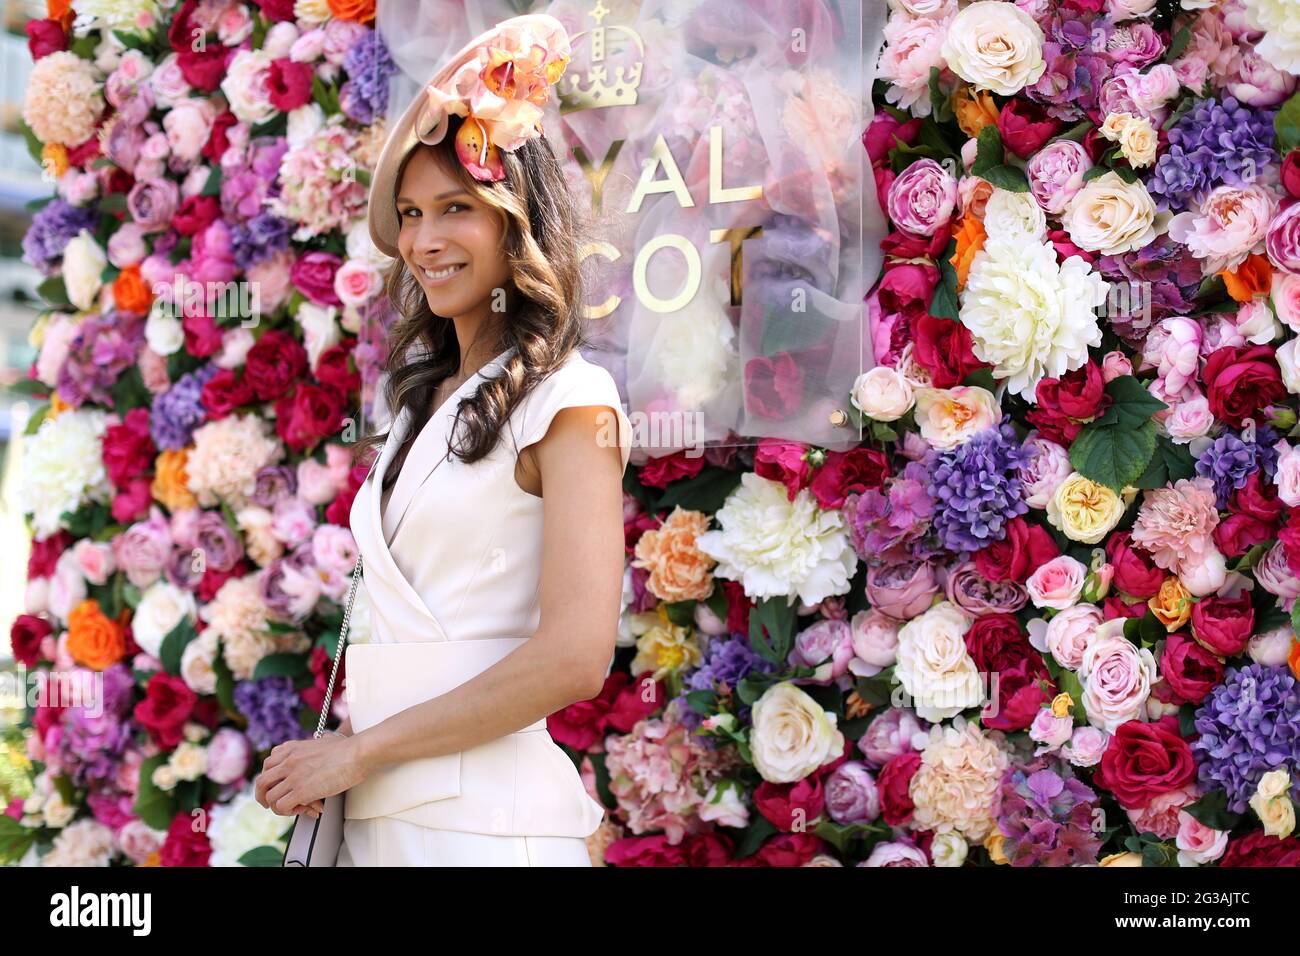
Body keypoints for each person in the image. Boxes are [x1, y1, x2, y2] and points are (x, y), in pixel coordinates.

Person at [253, 15, 633, 866]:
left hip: (489, 834)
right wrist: (347, 757)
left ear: (515, 221)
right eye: (413, 213)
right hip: (378, 821)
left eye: (456, 209)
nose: (425, 241)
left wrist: (356, 752)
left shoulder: (574, 400)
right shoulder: (422, 406)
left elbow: (575, 659)